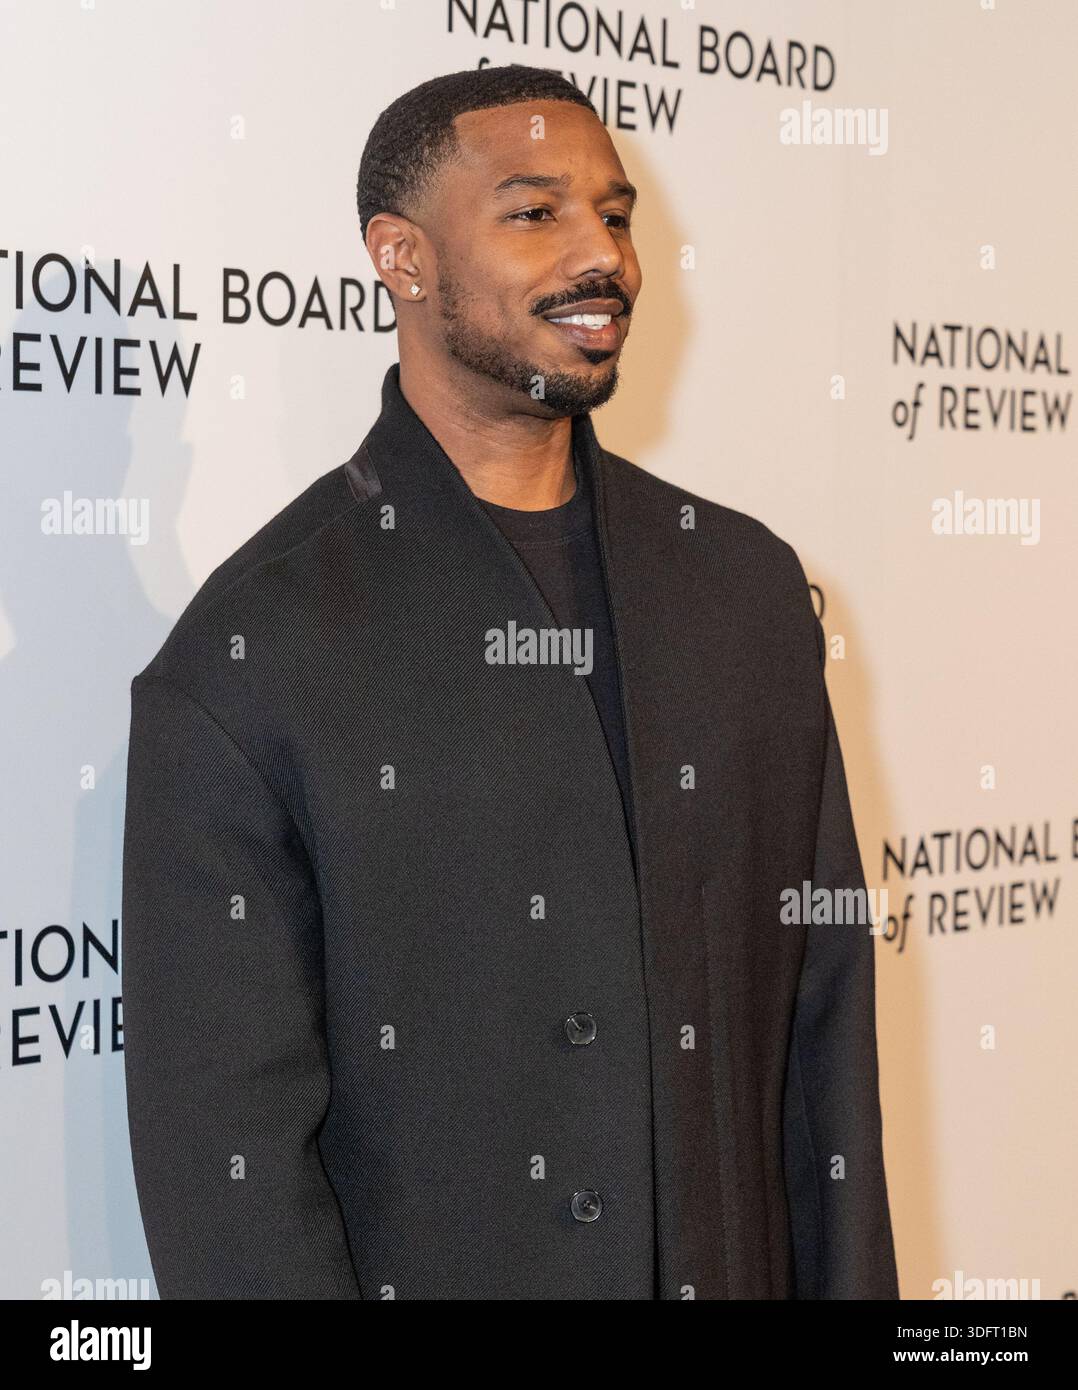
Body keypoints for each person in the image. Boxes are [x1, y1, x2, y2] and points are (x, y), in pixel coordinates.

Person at [121, 62, 899, 1300]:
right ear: (403, 257)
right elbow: (231, 1172)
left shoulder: (745, 591)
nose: (603, 256)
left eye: (617, 214)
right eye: (536, 213)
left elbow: (824, 1038)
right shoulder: (247, 656)